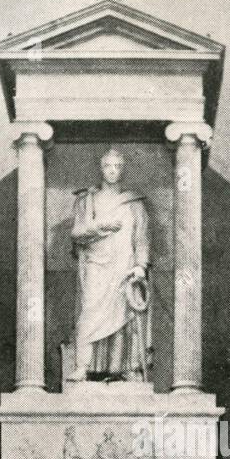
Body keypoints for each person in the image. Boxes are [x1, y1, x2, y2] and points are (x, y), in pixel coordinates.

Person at [70, 147, 152, 381]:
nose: (113, 171)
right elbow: (76, 233)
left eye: (117, 166)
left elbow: (141, 237)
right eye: (108, 166)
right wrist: (101, 227)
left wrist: (140, 266)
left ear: (123, 169)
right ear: (101, 168)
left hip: (124, 266)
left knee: (123, 316)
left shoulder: (134, 204)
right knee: (89, 312)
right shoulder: (88, 200)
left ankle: (124, 369)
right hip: (96, 264)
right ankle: (83, 366)